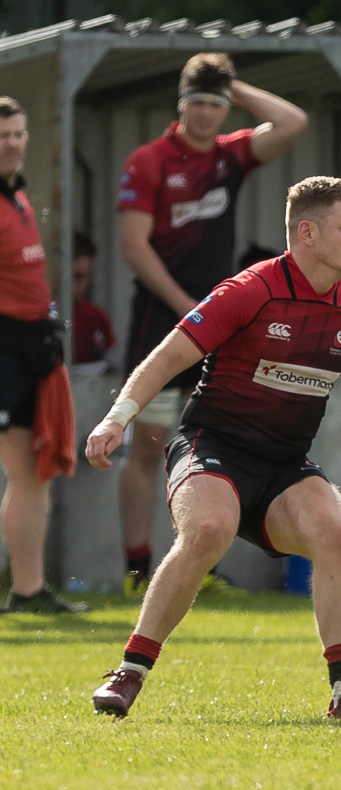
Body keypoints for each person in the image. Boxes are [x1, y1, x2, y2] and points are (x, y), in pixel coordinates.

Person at [88, 177, 341, 721]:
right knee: (207, 530)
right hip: (213, 447)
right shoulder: (250, 290)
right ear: (307, 232)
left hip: (283, 466)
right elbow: (165, 358)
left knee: (338, 532)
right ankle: (129, 672)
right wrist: (117, 418)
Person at [117, 52, 307, 596]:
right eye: (196, 102)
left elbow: (293, 123)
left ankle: (202, 564)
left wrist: (235, 86)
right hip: (162, 318)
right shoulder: (150, 160)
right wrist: (187, 304)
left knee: (215, 440)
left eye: (214, 104)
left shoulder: (229, 155)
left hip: (220, 324)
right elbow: (133, 246)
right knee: (149, 442)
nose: (205, 114)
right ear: (181, 106)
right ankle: (136, 569)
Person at [0, 96, 88, 614]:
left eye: (17, 134)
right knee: (26, 474)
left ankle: (29, 588)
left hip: (29, 352)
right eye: (2, 136)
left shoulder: (19, 197)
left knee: (31, 474)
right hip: (7, 354)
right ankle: (27, 590)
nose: (12, 144)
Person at [70, 232, 116, 375]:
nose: (73, 286)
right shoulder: (35, 318)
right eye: (68, 276)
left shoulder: (96, 318)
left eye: (80, 277)